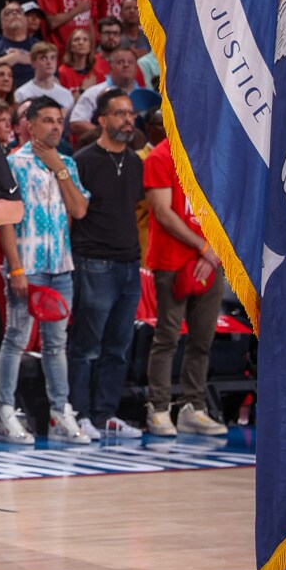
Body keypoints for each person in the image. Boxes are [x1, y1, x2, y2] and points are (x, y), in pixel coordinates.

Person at [0, 96, 91, 445]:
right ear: (30, 125)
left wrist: (59, 168)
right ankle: (4, 412)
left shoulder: (67, 162)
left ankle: (59, 412)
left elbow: (79, 210)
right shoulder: (14, 163)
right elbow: (5, 219)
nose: (55, 127)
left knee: (56, 343)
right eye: (48, 120)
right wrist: (16, 268)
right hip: (28, 264)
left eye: (59, 121)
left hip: (60, 265)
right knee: (16, 339)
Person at [66, 89, 145, 440]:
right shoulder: (83, 160)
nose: (128, 120)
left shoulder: (137, 162)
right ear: (101, 119)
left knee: (118, 346)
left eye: (131, 114)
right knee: (86, 346)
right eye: (120, 114)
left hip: (129, 262)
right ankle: (79, 413)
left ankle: (106, 414)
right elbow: (71, 215)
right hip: (93, 261)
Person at [143, 132, 228, 437]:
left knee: (203, 339)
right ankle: (158, 408)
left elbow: (226, 207)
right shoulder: (160, 156)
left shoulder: (214, 155)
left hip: (211, 260)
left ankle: (193, 406)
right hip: (172, 261)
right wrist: (202, 247)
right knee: (167, 337)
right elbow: (162, 212)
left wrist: (214, 251)